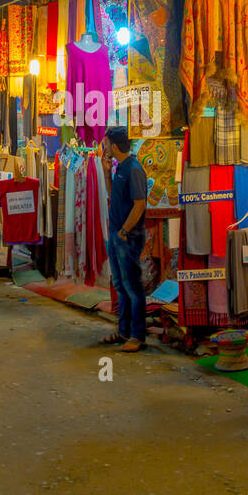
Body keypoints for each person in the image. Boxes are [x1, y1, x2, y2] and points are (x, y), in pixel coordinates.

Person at [101, 127, 148, 353]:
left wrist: (123, 232)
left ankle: (137, 335)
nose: (105, 147)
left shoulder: (134, 169)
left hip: (127, 236)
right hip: (117, 234)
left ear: (115, 147)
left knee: (132, 286)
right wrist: (105, 173)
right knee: (120, 285)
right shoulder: (120, 168)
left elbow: (140, 204)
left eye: (107, 144)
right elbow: (113, 196)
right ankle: (124, 331)